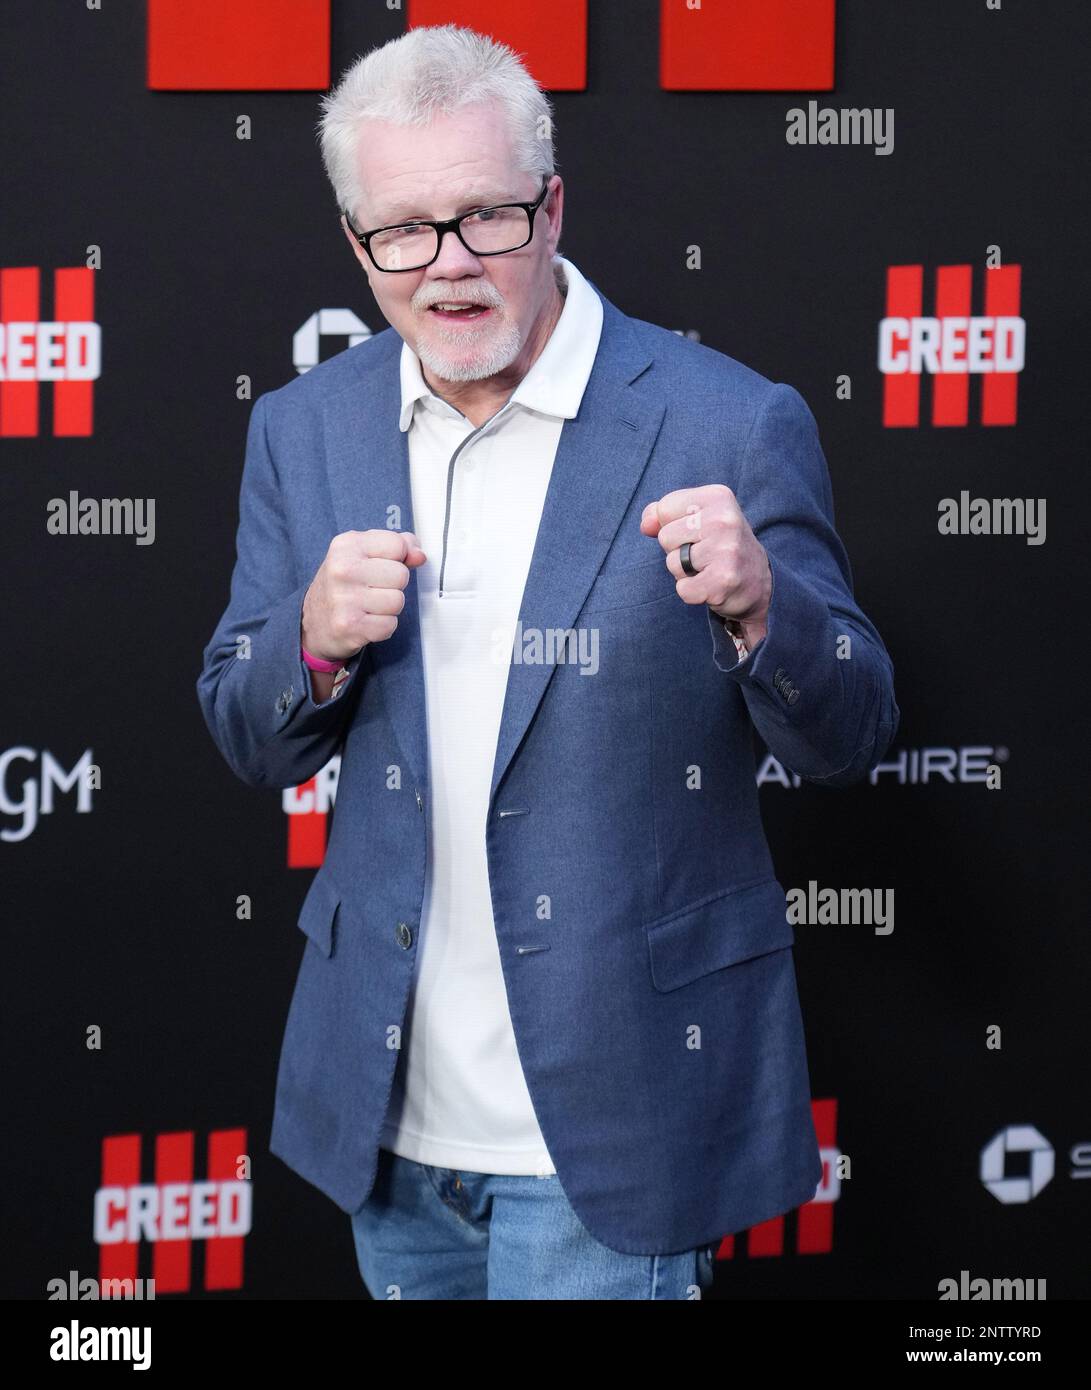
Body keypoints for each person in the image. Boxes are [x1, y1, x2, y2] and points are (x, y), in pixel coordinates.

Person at [196, 23, 899, 1300]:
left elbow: (851, 727)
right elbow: (247, 731)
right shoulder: (302, 429)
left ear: (553, 205)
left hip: (616, 1129)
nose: (448, 267)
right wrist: (305, 639)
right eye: (402, 229)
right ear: (357, 243)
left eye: (487, 218)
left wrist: (759, 609)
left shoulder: (729, 420)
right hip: (392, 1127)